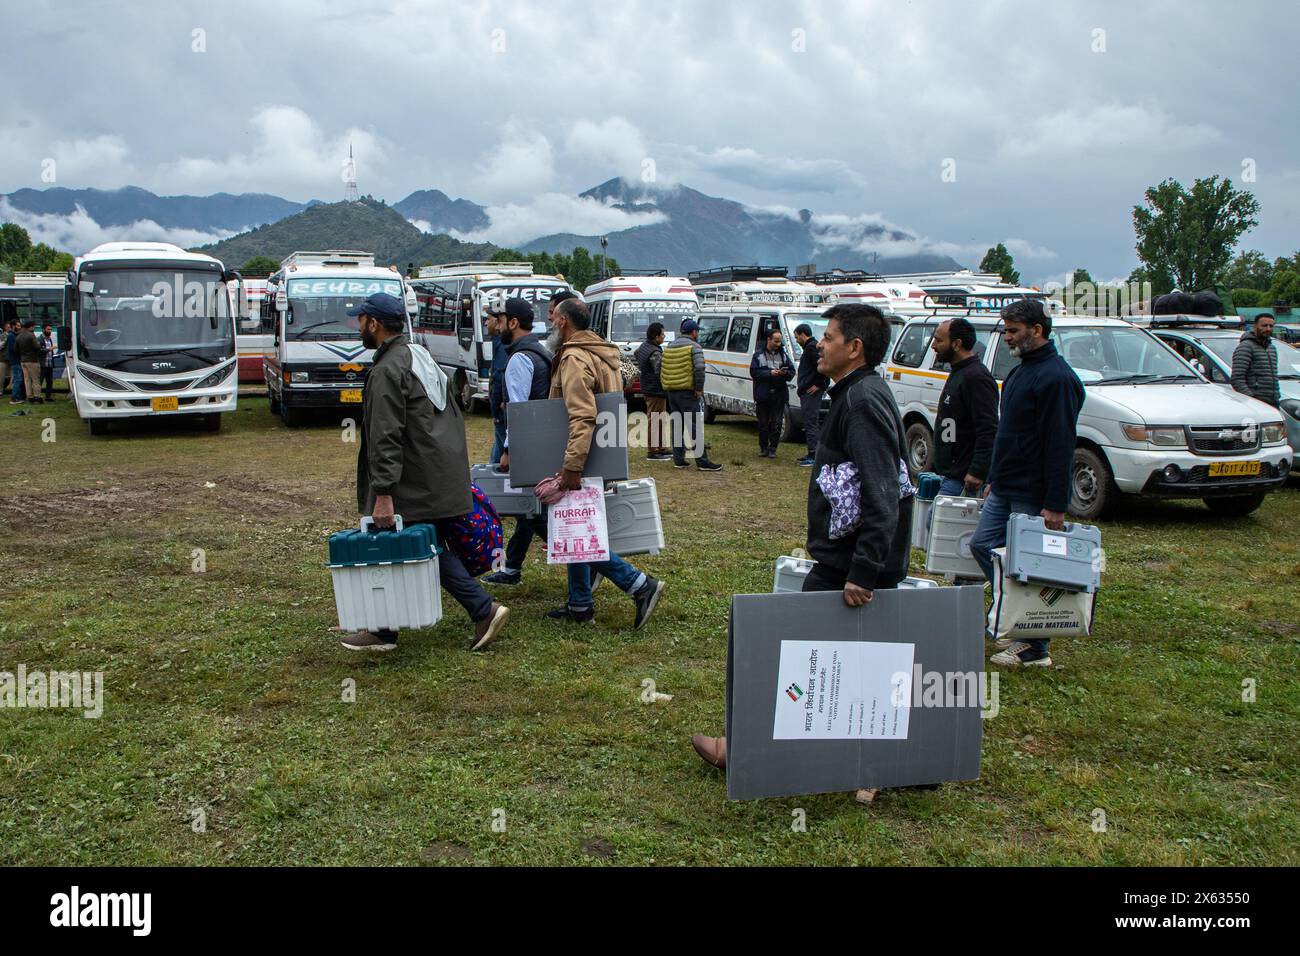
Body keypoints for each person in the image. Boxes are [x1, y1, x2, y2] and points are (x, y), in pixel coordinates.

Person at [691, 303, 916, 771]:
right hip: (848, 561)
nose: (820, 346)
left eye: (830, 338)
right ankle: (876, 765)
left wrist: (864, 571)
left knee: (787, 653)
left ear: (854, 348)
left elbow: (884, 490)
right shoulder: (857, 391)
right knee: (849, 665)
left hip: (849, 567)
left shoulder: (862, 401)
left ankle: (748, 750)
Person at [340, 292, 510, 653]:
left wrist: (383, 493)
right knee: (418, 546)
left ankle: (481, 608)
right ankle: (384, 628)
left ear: (374, 323)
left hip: (413, 480)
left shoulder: (388, 369)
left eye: (361, 320)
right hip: (439, 475)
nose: (358, 326)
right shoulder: (419, 355)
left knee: (417, 547)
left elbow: (384, 436)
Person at [969, 299, 1084, 668]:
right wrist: (993, 477)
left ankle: (1035, 647)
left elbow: (1060, 444)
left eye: (1013, 331)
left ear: (1037, 330)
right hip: (1005, 485)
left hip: (1033, 492)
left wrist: (1055, 503)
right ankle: (1013, 608)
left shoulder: (1057, 378)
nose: (1006, 338)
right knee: (983, 545)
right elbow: (1009, 432)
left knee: (1028, 565)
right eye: (1005, 330)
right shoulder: (1021, 371)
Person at [543, 297, 666, 628]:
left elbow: (583, 415)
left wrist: (572, 466)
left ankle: (640, 585)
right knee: (577, 527)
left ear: (563, 323)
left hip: (581, 457)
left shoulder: (574, 358)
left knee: (578, 534)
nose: (551, 322)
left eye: (554, 317)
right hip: (602, 454)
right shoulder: (604, 353)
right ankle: (580, 603)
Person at [482, 298, 553, 586]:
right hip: (542, 440)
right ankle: (511, 568)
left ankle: (586, 558)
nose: (496, 326)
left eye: (499, 320)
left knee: (531, 510)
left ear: (512, 323)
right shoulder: (540, 351)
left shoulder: (519, 358)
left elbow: (517, 409)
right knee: (527, 510)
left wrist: (508, 449)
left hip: (527, 445)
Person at [930, 318, 999, 497]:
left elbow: (987, 429)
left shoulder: (976, 378)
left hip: (964, 477)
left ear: (956, 344)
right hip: (951, 472)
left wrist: (977, 471)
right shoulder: (958, 372)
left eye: (939, 340)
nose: (933, 345)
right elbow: (950, 421)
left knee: (939, 522)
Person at [659, 318, 723, 471]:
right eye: (697, 331)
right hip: (687, 392)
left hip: (671, 391)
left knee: (677, 426)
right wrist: (698, 388)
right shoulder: (694, 347)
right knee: (694, 427)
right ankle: (702, 461)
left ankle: (679, 459)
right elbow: (700, 368)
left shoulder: (670, 345)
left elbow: (659, 366)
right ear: (694, 332)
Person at [750, 328, 796, 459]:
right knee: (763, 423)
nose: (778, 344)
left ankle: (773, 448)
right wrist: (769, 373)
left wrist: (785, 373)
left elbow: (792, 372)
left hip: (779, 394)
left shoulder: (784, 355)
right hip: (763, 394)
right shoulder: (758, 355)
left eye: (780, 341)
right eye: (776, 341)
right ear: (769, 340)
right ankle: (763, 447)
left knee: (776, 423)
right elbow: (754, 372)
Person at [634, 322, 672, 461]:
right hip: (655, 390)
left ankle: (661, 448)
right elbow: (659, 371)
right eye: (662, 334)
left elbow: (636, 353)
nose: (664, 336)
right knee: (655, 420)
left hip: (649, 388)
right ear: (656, 337)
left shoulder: (644, 346)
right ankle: (653, 450)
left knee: (659, 419)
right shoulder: (655, 351)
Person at [794, 323, 828, 467]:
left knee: (811, 423)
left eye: (796, 337)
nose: (796, 340)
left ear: (803, 334)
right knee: (808, 422)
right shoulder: (809, 348)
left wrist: (820, 384)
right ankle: (811, 452)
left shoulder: (811, 348)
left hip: (811, 392)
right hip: (806, 391)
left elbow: (824, 366)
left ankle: (814, 454)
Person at [1230, 313, 1280, 407]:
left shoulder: (1271, 348)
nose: (1268, 329)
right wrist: (1251, 399)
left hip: (1273, 401)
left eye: (1271, 326)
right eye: (1264, 325)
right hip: (1256, 402)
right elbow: (1237, 379)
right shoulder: (1246, 347)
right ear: (1255, 326)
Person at [485, 299, 510, 463]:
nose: (486, 323)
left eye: (489, 319)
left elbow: (500, 379)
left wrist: (496, 411)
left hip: (502, 414)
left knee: (498, 461)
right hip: (500, 414)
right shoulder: (498, 343)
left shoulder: (502, 344)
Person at [17, 320, 43, 405]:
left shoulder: (19, 336)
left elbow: (15, 349)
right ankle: (37, 396)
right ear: (31, 326)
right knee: (35, 379)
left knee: (27, 380)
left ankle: (29, 396)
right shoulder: (31, 335)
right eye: (34, 326)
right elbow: (37, 347)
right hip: (32, 360)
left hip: (23, 360)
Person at [6, 318, 24, 404]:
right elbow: (13, 349)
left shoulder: (14, 335)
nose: (20, 327)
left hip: (17, 360)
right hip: (15, 361)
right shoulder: (11, 336)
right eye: (18, 326)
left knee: (18, 379)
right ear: (13, 326)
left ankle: (17, 397)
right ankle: (14, 398)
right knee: (18, 379)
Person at [40, 324, 57, 401]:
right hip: (42, 364)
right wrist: (49, 349)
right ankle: (37, 396)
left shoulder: (49, 339)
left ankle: (48, 397)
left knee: (49, 381)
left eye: (50, 329)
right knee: (40, 381)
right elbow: (39, 351)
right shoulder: (39, 339)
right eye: (48, 329)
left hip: (49, 363)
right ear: (43, 330)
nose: (50, 331)